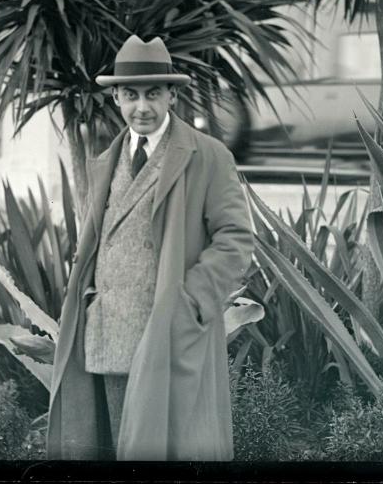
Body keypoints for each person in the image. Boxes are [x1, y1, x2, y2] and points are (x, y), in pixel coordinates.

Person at [47, 35, 254, 462]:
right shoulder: (107, 157)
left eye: (153, 94)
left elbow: (236, 239)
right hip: (106, 337)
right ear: (117, 99)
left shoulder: (207, 155)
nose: (142, 106)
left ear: (172, 95)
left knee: (169, 453)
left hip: (168, 335)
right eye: (130, 95)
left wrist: (188, 302)